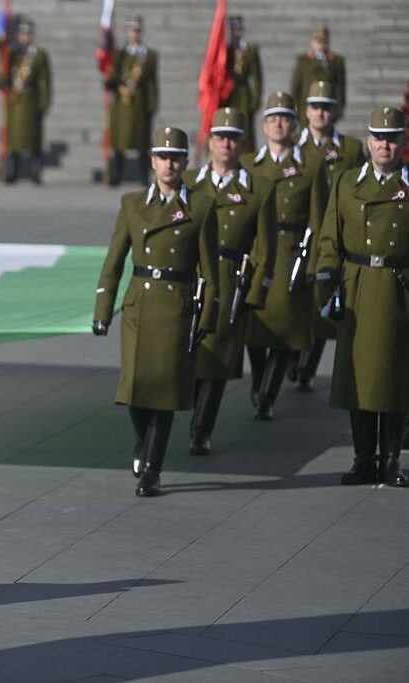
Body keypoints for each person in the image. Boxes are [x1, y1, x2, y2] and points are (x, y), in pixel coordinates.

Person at [93, 127, 220, 496]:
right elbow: (113, 263)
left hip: (176, 305)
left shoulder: (201, 207)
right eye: (163, 157)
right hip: (139, 303)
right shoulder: (132, 205)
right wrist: (103, 310)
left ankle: (152, 468)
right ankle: (141, 442)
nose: (169, 164)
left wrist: (207, 316)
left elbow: (210, 273)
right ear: (152, 162)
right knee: (134, 389)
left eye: (176, 157)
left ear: (185, 163)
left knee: (163, 390)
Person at [316, 106, 408, 487]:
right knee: (358, 379)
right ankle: (363, 459)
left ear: (402, 142)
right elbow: (328, 239)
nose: (384, 144)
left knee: (394, 378)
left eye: (391, 137)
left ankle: (390, 461)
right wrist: (326, 283)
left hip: (396, 287)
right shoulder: (347, 182)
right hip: (355, 286)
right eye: (377, 137)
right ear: (368, 141)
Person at [184, 108, 277, 455]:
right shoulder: (190, 183)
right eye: (220, 136)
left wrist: (254, 293)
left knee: (217, 360)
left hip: (229, 278)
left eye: (233, 137)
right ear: (209, 141)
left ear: (242, 143)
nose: (226, 143)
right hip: (193, 276)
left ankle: (201, 430)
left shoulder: (258, 188)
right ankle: (193, 412)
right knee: (191, 354)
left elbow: (266, 248)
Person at [240, 92, 327, 420]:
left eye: (285, 118)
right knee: (253, 323)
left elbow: (319, 219)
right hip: (256, 250)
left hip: (290, 251)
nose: (279, 124)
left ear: (295, 123)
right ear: (264, 125)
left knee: (284, 325)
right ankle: (260, 376)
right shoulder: (249, 164)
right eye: (273, 118)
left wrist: (315, 261)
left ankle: (268, 393)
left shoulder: (310, 166)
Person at [291, 80, 365, 390]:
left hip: (336, 233)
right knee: (294, 300)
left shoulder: (349, 149)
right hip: (298, 235)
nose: (321, 113)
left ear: (335, 112)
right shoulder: (294, 147)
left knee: (324, 295)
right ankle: (292, 357)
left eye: (326, 107)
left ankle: (306, 365)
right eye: (315, 107)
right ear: (306, 111)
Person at [106, 15, 158, 187]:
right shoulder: (120, 53)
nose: (134, 34)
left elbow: (152, 82)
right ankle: (116, 174)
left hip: (140, 103)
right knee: (119, 142)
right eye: (131, 31)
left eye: (136, 30)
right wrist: (117, 86)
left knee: (142, 142)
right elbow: (112, 78)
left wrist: (152, 105)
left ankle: (144, 175)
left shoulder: (148, 55)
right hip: (122, 103)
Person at [0, 17, 50, 185]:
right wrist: (3, 77)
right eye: (22, 34)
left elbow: (45, 82)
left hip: (31, 100)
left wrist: (43, 104)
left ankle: (35, 171)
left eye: (28, 34)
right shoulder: (12, 53)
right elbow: (1, 78)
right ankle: (11, 171)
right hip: (15, 102)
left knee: (34, 138)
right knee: (13, 138)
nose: (25, 37)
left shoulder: (39, 55)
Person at [290, 24, 345, 126]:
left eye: (323, 41)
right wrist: (297, 109)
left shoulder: (336, 61)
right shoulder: (304, 61)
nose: (320, 44)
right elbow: (296, 88)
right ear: (312, 42)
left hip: (327, 108)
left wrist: (338, 111)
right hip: (306, 110)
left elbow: (340, 89)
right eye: (317, 40)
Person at [221, 16, 262, 153]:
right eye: (233, 30)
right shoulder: (225, 50)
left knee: (246, 132)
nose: (236, 33)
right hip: (229, 95)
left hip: (244, 94)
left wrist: (255, 100)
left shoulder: (249, 50)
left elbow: (257, 77)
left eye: (238, 29)